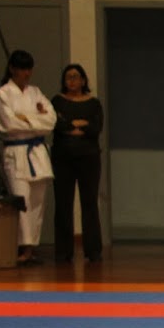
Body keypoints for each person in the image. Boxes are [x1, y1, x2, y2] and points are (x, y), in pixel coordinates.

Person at [0, 50, 56, 265]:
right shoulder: (3, 94)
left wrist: (26, 119)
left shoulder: (35, 92)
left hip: (36, 153)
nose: (27, 73)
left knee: (38, 202)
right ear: (12, 69)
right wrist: (37, 120)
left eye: (29, 69)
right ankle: (22, 248)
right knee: (22, 200)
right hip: (16, 153)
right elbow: (9, 124)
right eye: (22, 69)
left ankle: (31, 248)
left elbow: (51, 120)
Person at [50, 63, 104, 264]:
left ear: (83, 80)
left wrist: (72, 125)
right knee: (63, 203)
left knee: (89, 203)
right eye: (68, 77)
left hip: (89, 157)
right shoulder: (57, 101)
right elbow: (57, 124)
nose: (72, 80)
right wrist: (77, 124)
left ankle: (93, 250)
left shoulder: (94, 104)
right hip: (62, 157)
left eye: (76, 76)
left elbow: (95, 128)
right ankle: (63, 252)